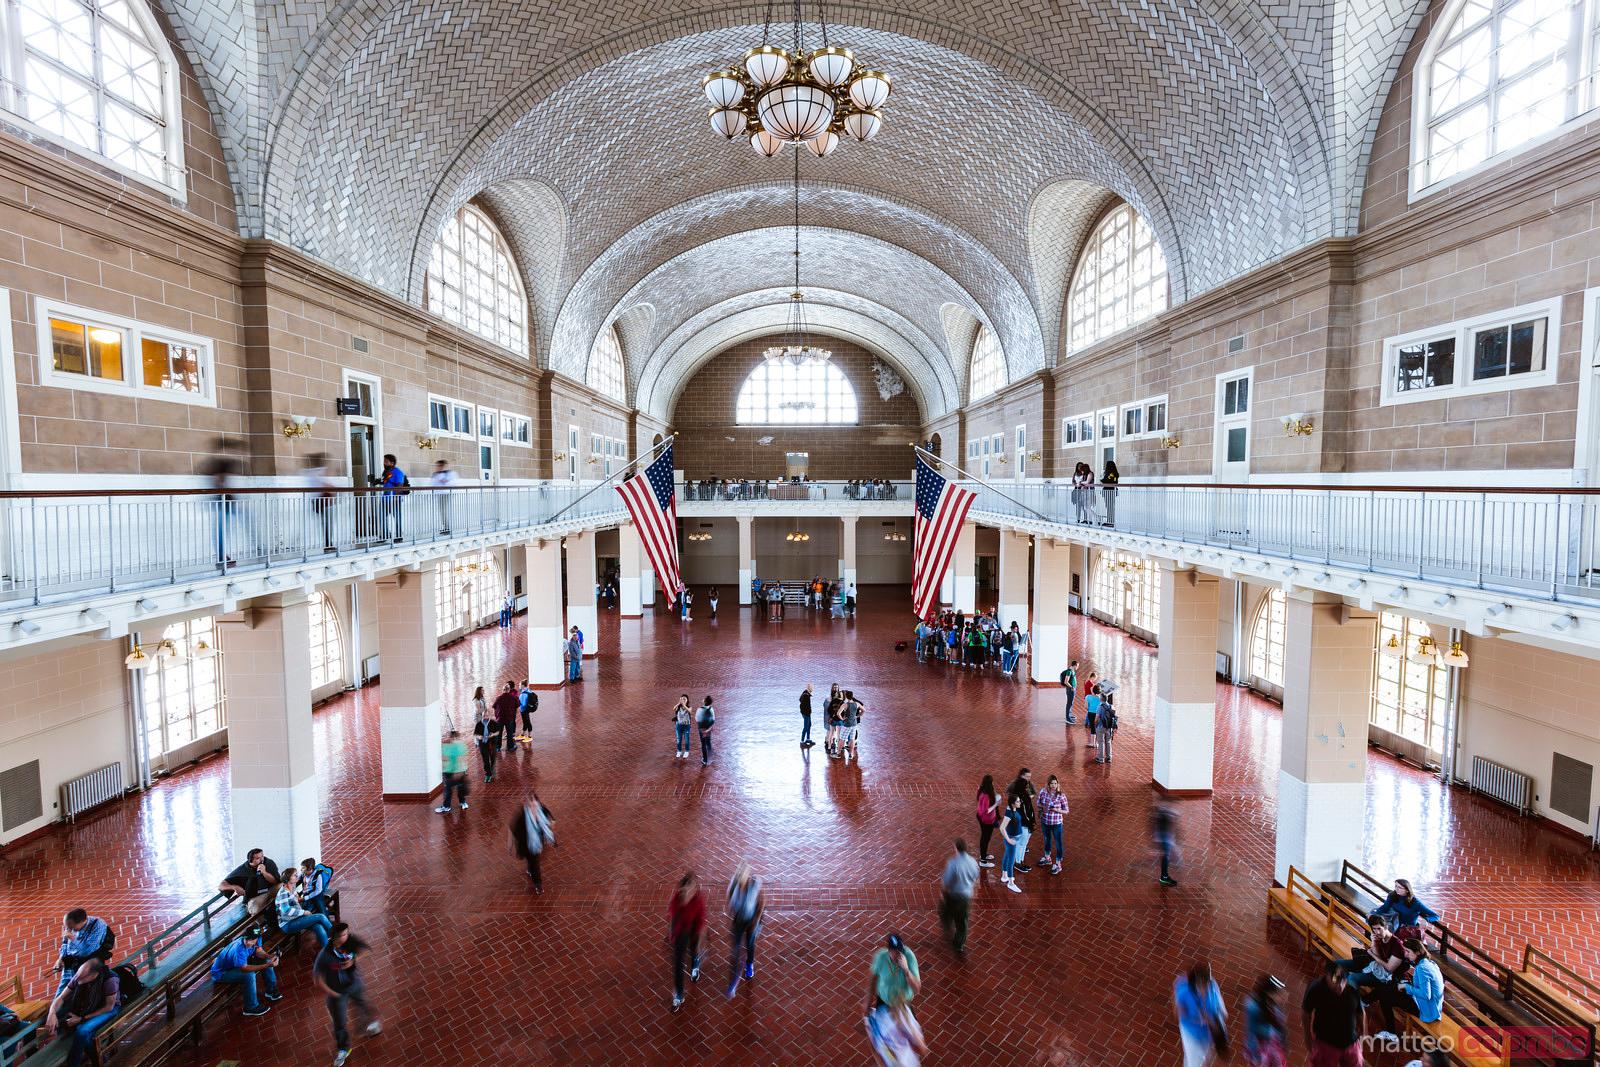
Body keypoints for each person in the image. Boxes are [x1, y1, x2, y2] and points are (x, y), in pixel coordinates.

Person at [313, 922, 380, 1066]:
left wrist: (354, 960)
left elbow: (366, 950)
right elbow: (317, 979)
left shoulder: (350, 941)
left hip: (355, 983)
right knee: (339, 1022)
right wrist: (331, 992)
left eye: (347, 933)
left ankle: (370, 1024)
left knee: (363, 1004)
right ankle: (343, 1049)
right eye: (344, 934)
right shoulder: (324, 955)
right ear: (335, 938)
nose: (347, 936)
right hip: (337, 992)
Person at [40, 959, 120, 1067]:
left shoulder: (110, 980)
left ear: (93, 975)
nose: (77, 979)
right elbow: (61, 997)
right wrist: (52, 1013)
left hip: (108, 1009)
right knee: (85, 1036)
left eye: (82, 977)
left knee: (82, 1031)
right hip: (89, 1007)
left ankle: (73, 1064)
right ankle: (100, 1059)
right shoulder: (79, 976)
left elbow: (109, 1007)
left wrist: (82, 1019)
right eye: (78, 975)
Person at [1369, 939, 1443, 1043]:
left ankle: (1391, 1032)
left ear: (1417, 952)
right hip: (1432, 1006)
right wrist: (1407, 986)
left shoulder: (1422, 968)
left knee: (1385, 997)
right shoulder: (1430, 963)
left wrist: (1406, 986)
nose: (1405, 954)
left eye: (1408, 951)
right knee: (1388, 988)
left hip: (1426, 1009)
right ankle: (1365, 1001)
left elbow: (1426, 995)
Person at [868, 934, 926, 1058]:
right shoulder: (880, 957)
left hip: (903, 1005)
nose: (898, 954)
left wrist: (906, 970)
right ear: (888, 950)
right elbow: (872, 980)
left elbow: (917, 989)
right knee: (880, 1041)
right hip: (884, 1003)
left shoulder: (909, 957)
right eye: (894, 951)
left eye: (900, 950)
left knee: (914, 1039)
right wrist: (867, 1003)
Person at [1302, 960, 1364, 1066]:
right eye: (1336, 981)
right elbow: (1306, 1013)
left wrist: (1362, 1036)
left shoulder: (1352, 988)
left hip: (1351, 1044)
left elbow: (1360, 1012)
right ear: (1327, 977)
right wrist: (1307, 1038)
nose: (1340, 986)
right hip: (1326, 1044)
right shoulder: (1316, 988)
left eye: (1343, 981)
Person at [210, 926, 281, 1017]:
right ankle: (250, 1007)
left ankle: (271, 991)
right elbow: (244, 968)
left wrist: (270, 956)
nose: (248, 942)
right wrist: (267, 965)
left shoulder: (258, 937)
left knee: (266, 960)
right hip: (222, 973)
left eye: (252, 939)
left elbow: (259, 951)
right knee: (249, 975)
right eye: (247, 939)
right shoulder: (239, 949)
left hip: (235, 966)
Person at [1174, 963, 1229, 1067]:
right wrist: (1201, 1020)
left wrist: (1221, 1014)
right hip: (1191, 1034)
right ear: (1195, 983)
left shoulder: (1212, 985)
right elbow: (1179, 1014)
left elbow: (1219, 1004)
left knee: (1204, 1060)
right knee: (1194, 1062)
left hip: (1208, 1033)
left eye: (1207, 985)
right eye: (1202, 986)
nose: (1205, 989)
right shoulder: (1184, 992)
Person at [1331, 915, 1404, 991]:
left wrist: (1373, 955)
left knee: (1352, 978)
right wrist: (1374, 943)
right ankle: (1345, 988)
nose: (1377, 932)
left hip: (1382, 976)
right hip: (1371, 964)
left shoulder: (1397, 945)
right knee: (1337, 964)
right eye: (1374, 929)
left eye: (1379, 928)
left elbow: (1389, 968)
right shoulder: (1378, 937)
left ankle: (1351, 995)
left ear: (1386, 927)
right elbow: (1377, 955)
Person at [669, 873, 708, 1013]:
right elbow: (673, 916)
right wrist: (672, 935)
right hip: (681, 930)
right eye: (688, 889)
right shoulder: (677, 898)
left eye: (693, 889)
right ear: (683, 889)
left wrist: (700, 939)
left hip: (694, 927)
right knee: (678, 964)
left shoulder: (698, 899)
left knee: (694, 948)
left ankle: (695, 964)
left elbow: (701, 920)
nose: (691, 892)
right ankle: (679, 994)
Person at [725, 862, 764, 999]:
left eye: (743, 879)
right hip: (739, 919)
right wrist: (731, 914)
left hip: (752, 919)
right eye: (739, 879)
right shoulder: (733, 887)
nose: (741, 883)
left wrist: (756, 921)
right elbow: (730, 903)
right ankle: (734, 973)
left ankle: (749, 964)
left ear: (747, 877)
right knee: (735, 949)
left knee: (750, 944)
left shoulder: (754, 884)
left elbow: (761, 903)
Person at [55, 910, 111, 993]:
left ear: (82, 922)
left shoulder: (97, 925)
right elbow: (65, 942)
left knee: (78, 991)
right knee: (62, 989)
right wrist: (61, 958)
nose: (68, 929)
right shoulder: (69, 924)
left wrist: (73, 938)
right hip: (71, 961)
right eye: (66, 927)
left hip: (87, 962)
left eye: (72, 928)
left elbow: (87, 951)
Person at [509, 794, 555, 893]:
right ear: (527, 805)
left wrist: (551, 821)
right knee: (534, 863)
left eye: (535, 804)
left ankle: (532, 872)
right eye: (531, 805)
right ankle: (538, 884)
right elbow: (515, 829)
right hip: (527, 844)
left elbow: (547, 813)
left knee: (533, 862)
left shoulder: (540, 809)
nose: (533, 807)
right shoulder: (522, 816)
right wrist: (522, 839)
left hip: (537, 842)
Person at [939, 840, 978, 953]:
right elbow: (975, 877)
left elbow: (946, 881)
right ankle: (958, 944)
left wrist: (942, 893)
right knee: (962, 922)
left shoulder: (953, 863)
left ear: (956, 849)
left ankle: (947, 925)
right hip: (965, 897)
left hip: (952, 895)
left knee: (944, 911)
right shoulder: (973, 862)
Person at [275, 869, 332, 948]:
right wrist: (304, 912)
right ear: (288, 879)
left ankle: (328, 949)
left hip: (297, 918)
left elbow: (296, 900)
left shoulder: (292, 887)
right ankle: (336, 935)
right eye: (294, 875)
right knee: (321, 916)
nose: (297, 876)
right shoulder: (283, 893)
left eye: (296, 874)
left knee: (318, 926)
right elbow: (286, 910)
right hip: (287, 924)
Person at [219, 848, 281, 918]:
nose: (262, 859)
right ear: (251, 860)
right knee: (256, 910)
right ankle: (265, 924)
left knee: (283, 886)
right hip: (256, 897)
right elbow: (221, 885)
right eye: (258, 858)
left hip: (270, 890)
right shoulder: (242, 869)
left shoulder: (268, 862)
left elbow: (275, 881)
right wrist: (234, 887)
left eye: (262, 856)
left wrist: (264, 872)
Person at [1244, 975, 1287, 1067]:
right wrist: (1273, 1033)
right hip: (1261, 1047)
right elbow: (1253, 1028)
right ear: (1269, 993)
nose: (1284, 995)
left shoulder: (1272, 1003)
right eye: (1278, 993)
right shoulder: (1253, 1007)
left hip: (1272, 1045)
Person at [1373, 879, 1441, 938]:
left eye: (1400, 887)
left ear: (1407, 890)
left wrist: (1426, 920)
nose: (1396, 889)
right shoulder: (1392, 895)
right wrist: (1374, 916)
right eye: (1396, 886)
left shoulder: (1415, 902)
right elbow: (1385, 907)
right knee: (1375, 926)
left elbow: (1436, 916)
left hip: (1405, 930)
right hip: (1392, 924)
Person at [305, 452, 339, 552]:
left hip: (320, 500)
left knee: (326, 523)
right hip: (324, 501)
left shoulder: (313, 472)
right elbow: (325, 485)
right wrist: (333, 489)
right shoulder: (318, 472)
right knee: (328, 523)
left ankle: (328, 543)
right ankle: (328, 544)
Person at [1007, 768, 1038, 873]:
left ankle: (1020, 861)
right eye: (1027, 777)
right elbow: (1022, 810)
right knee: (1021, 843)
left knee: (1024, 843)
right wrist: (1030, 821)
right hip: (1023, 822)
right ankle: (1017, 862)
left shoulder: (1025, 791)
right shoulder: (1018, 794)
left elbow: (1029, 806)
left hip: (1027, 821)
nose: (1029, 779)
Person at [1036, 775, 1068, 874]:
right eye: (1052, 783)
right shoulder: (1043, 792)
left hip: (1057, 823)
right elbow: (1038, 803)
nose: (1054, 785)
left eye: (1055, 783)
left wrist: (1056, 810)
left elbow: (1066, 811)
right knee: (1047, 839)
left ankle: (1058, 864)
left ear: (1057, 784)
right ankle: (1047, 858)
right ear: (1048, 784)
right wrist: (1043, 806)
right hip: (1045, 821)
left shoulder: (1061, 795)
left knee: (1058, 842)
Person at [374, 453, 407, 542]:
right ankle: (385, 535)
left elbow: (399, 486)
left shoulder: (398, 472)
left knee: (397, 518)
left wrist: (395, 498)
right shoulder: (386, 472)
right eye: (384, 461)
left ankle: (399, 536)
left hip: (394, 499)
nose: (384, 463)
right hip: (385, 498)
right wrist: (378, 482)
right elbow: (385, 482)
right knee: (381, 517)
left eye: (386, 462)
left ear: (392, 463)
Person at [997, 792, 1027, 893]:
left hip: (1014, 838)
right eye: (1018, 801)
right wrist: (1009, 840)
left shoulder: (1011, 808)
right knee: (1011, 861)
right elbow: (1002, 828)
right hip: (1012, 840)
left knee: (1006, 857)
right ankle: (1011, 883)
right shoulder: (1009, 814)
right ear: (1013, 803)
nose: (1020, 803)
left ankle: (1004, 876)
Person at [436, 729, 468, 813]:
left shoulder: (455, 746)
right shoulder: (459, 745)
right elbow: (444, 758)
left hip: (454, 771)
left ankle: (447, 806)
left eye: (455, 738)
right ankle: (462, 803)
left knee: (449, 789)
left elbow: (459, 759)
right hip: (455, 771)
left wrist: (457, 771)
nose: (453, 739)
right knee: (457, 788)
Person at [974, 775, 1002, 868]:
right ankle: (983, 860)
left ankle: (983, 855)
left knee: (985, 837)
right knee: (985, 838)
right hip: (986, 820)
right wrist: (996, 804)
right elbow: (986, 811)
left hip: (981, 817)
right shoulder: (986, 796)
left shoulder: (981, 790)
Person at [472, 687, 498, 782]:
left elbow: (498, 731)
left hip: (492, 741)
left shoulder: (493, 723)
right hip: (483, 742)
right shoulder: (479, 723)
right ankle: (488, 774)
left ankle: (492, 768)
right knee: (485, 758)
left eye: (487, 715)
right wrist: (479, 737)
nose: (484, 691)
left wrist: (493, 734)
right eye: (482, 690)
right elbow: (475, 734)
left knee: (492, 757)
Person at [1152, 803, 1179, 886]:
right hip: (1164, 837)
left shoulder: (1161, 810)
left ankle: (1164, 877)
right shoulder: (1164, 812)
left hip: (1164, 837)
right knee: (1165, 857)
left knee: (1165, 856)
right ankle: (1164, 878)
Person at [431, 458, 457, 535]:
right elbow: (433, 484)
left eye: (439, 466)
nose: (437, 467)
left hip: (446, 494)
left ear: (442, 466)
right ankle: (446, 527)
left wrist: (445, 481)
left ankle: (447, 528)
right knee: (442, 512)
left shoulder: (450, 473)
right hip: (439, 495)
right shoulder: (436, 474)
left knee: (445, 511)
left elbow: (453, 483)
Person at [839, 689, 864, 764]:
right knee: (852, 739)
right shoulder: (857, 704)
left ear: (846, 697)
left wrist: (842, 719)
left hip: (847, 724)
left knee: (842, 739)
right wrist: (857, 716)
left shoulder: (845, 704)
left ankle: (838, 753)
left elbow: (838, 713)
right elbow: (864, 710)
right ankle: (851, 754)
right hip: (854, 723)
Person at [1095, 691, 1118, 764]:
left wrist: (1095, 725)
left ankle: (1100, 758)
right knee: (1108, 741)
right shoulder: (1111, 706)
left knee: (1101, 742)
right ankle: (1109, 757)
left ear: (1101, 699)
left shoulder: (1100, 707)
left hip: (1101, 726)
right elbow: (1114, 716)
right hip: (1109, 727)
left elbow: (1097, 718)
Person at [695, 695, 716, 764]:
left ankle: (705, 759)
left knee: (703, 744)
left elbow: (697, 719)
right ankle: (710, 758)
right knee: (708, 742)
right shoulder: (711, 709)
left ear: (705, 701)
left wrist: (702, 729)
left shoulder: (700, 709)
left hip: (702, 729)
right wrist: (709, 728)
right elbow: (713, 720)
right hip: (708, 729)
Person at [671, 693, 693, 758]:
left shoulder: (689, 707)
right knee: (679, 739)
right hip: (679, 725)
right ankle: (679, 751)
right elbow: (673, 709)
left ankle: (686, 751)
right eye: (682, 699)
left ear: (687, 700)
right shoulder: (678, 707)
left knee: (686, 739)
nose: (683, 700)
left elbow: (690, 711)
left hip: (686, 725)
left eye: (685, 699)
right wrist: (679, 703)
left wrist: (684, 705)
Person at [1100, 459, 1120, 526]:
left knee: (1109, 507)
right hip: (1110, 491)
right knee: (1109, 507)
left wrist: (1101, 479)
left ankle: (1110, 522)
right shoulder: (1114, 473)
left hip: (1109, 491)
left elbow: (1106, 480)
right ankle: (1110, 521)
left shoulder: (1111, 474)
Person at [799, 683, 814, 748]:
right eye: (812, 687)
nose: (812, 688)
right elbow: (802, 705)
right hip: (806, 714)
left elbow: (800, 700)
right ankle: (802, 741)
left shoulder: (805, 693)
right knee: (806, 727)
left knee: (809, 725)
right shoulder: (806, 695)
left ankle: (808, 739)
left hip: (807, 713)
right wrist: (805, 713)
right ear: (809, 688)